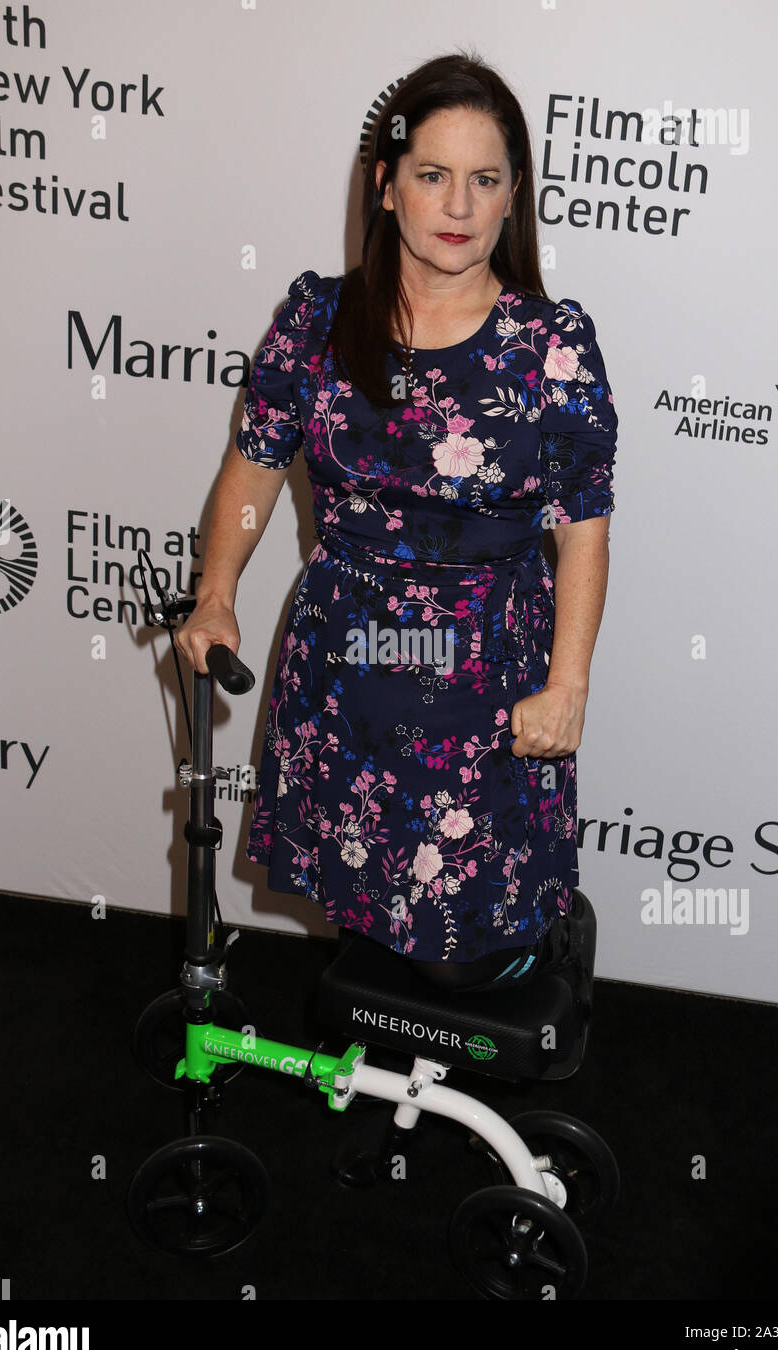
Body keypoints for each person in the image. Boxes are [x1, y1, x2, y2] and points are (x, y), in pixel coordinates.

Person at [176, 51, 618, 995]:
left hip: (488, 679)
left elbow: (585, 522)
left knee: (461, 959)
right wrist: (216, 595)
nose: (457, 205)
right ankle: (392, 1110)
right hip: (347, 665)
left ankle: (521, 994)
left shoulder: (551, 347)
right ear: (387, 187)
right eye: (432, 175)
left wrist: (569, 684)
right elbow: (254, 465)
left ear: (512, 199)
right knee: (367, 932)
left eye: (485, 180)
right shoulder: (316, 322)